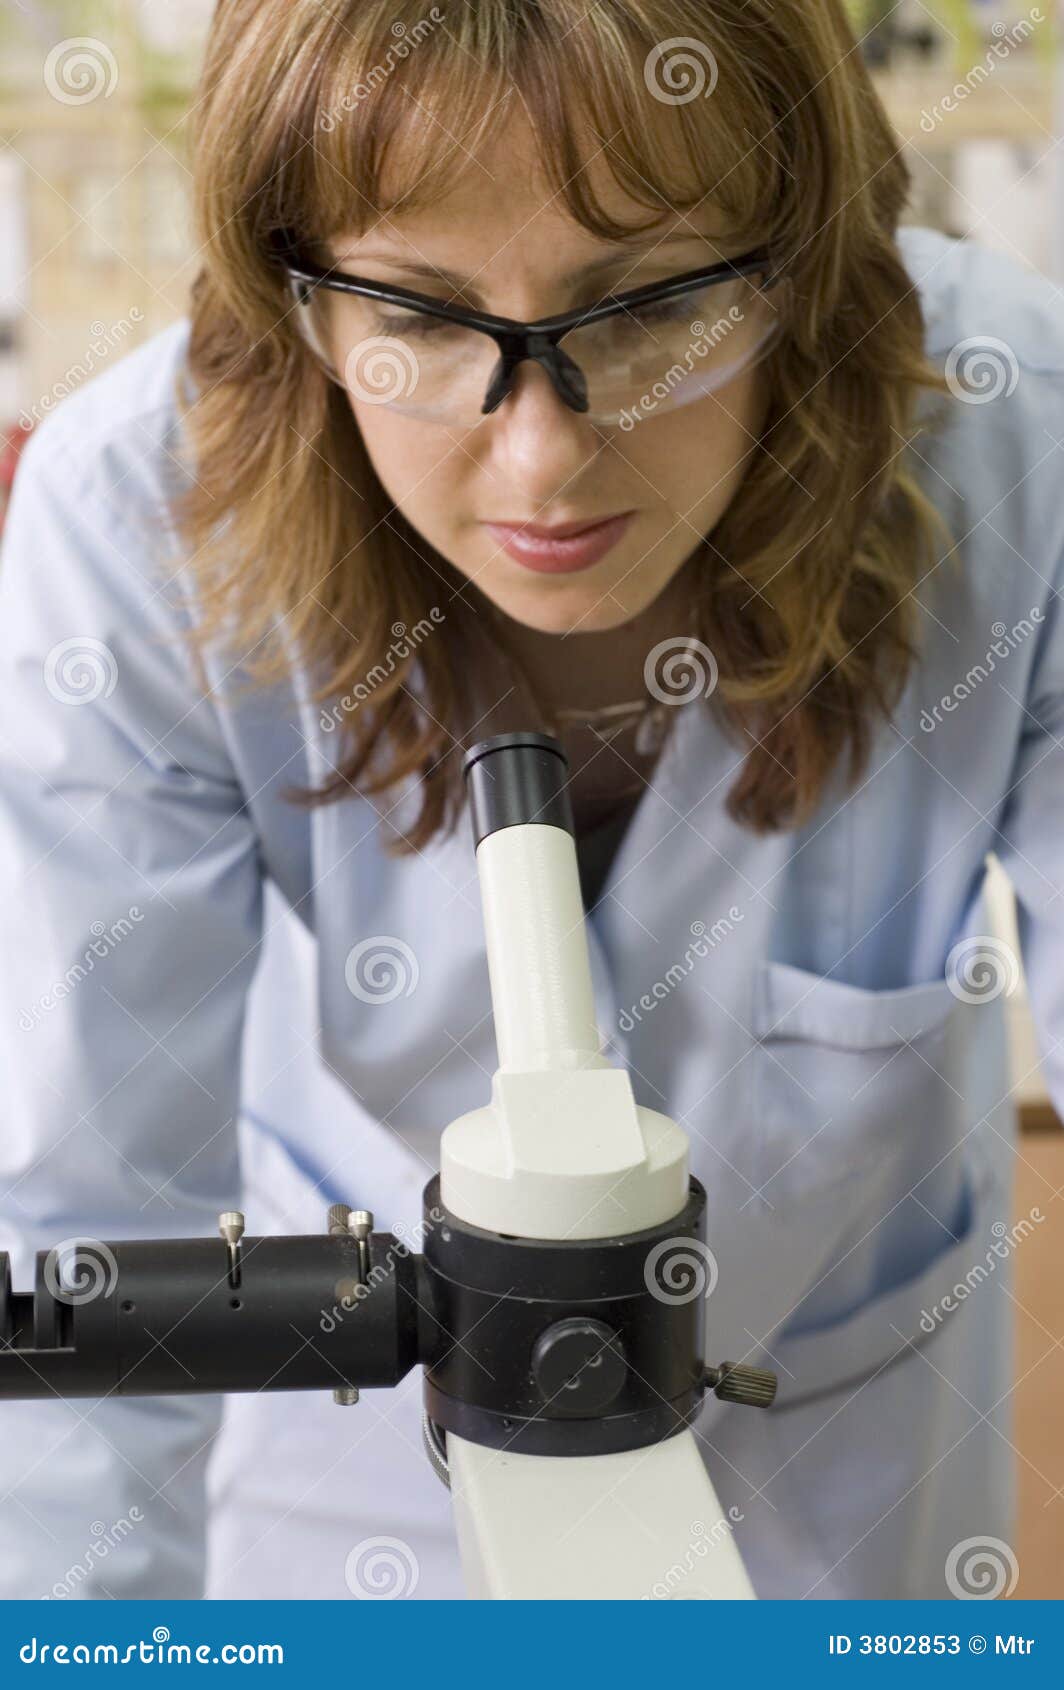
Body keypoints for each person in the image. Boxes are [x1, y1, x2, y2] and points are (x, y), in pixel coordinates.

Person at [0, 0, 1061, 1602]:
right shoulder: (131, 520)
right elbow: (78, 1214)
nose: (545, 455)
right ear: (286, 278)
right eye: (416, 314)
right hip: (365, 1434)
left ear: (805, 247)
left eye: (646, 306)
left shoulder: (1018, 439)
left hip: (827, 1421)